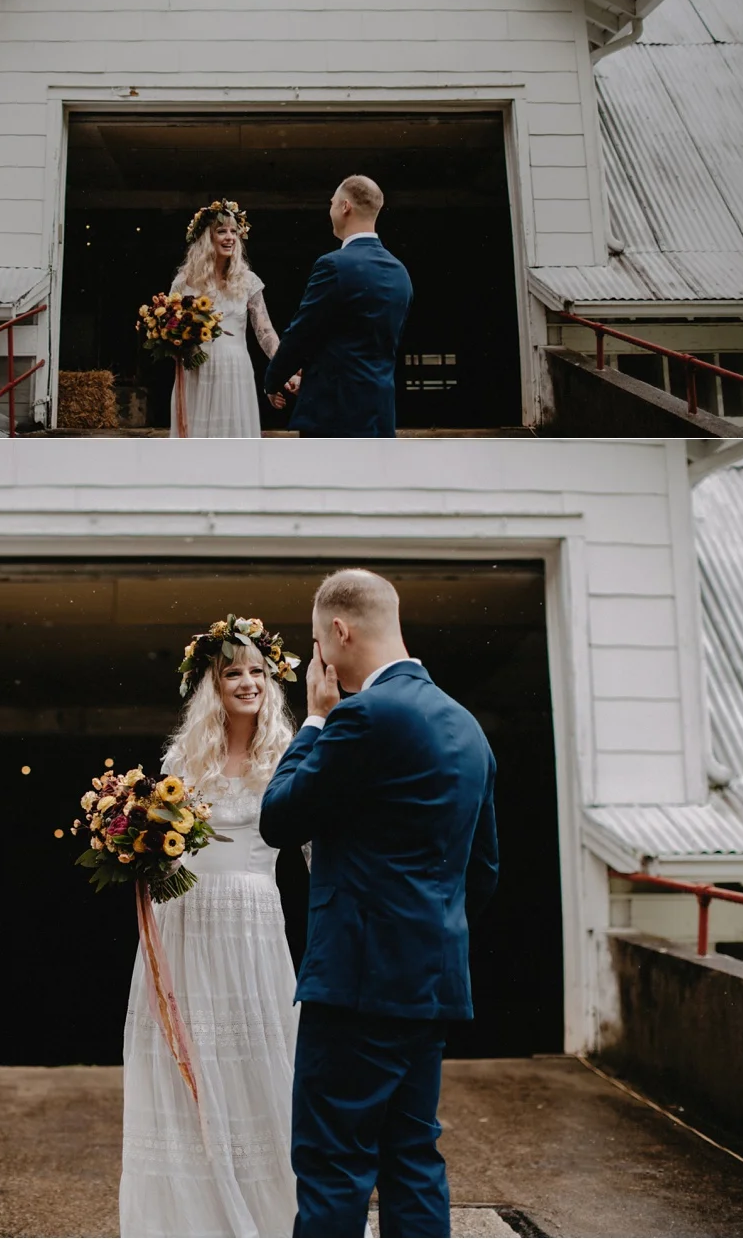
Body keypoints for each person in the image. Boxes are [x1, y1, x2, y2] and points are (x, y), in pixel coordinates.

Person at [260, 569, 499, 1239]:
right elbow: (483, 870)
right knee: (413, 1157)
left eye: (316, 641)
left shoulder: (363, 714)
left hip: (357, 986)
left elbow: (279, 817)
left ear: (339, 631)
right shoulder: (467, 725)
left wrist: (312, 717)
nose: (318, 659)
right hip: (432, 983)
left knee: (332, 1161)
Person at [119, 616, 303, 1238]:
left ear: (270, 681)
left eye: (257, 671)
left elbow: (316, 852)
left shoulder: (290, 754)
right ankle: (191, 1218)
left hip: (251, 923)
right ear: (213, 684)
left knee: (252, 1057)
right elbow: (163, 848)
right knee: (190, 1058)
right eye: (233, 672)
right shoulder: (183, 757)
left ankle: (267, 1213)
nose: (247, 681)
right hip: (185, 920)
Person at [262, 177, 412, 439]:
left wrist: (273, 380)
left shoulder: (334, 266)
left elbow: (303, 333)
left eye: (331, 203)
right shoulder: (400, 272)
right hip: (380, 412)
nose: (329, 210)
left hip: (334, 413)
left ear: (345, 207)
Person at [167, 200, 290, 438]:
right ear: (206, 237)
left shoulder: (248, 280)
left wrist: (286, 367)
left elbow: (265, 332)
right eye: (221, 231)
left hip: (235, 371)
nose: (230, 237)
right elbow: (171, 329)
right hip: (197, 371)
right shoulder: (184, 282)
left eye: (234, 232)